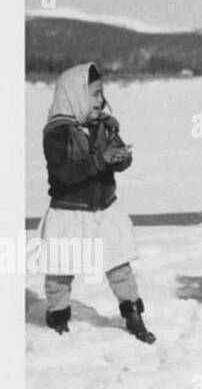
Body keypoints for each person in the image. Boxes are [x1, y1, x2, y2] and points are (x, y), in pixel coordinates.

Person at [39, 63, 155, 343]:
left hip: (103, 210)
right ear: (73, 94)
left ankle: (132, 314)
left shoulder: (103, 125)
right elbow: (64, 173)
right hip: (69, 211)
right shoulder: (56, 134)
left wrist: (121, 158)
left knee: (118, 264)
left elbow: (117, 156)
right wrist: (100, 160)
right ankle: (58, 316)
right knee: (60, 269)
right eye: (93, 94)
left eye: (101, 93)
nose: (100, 100)